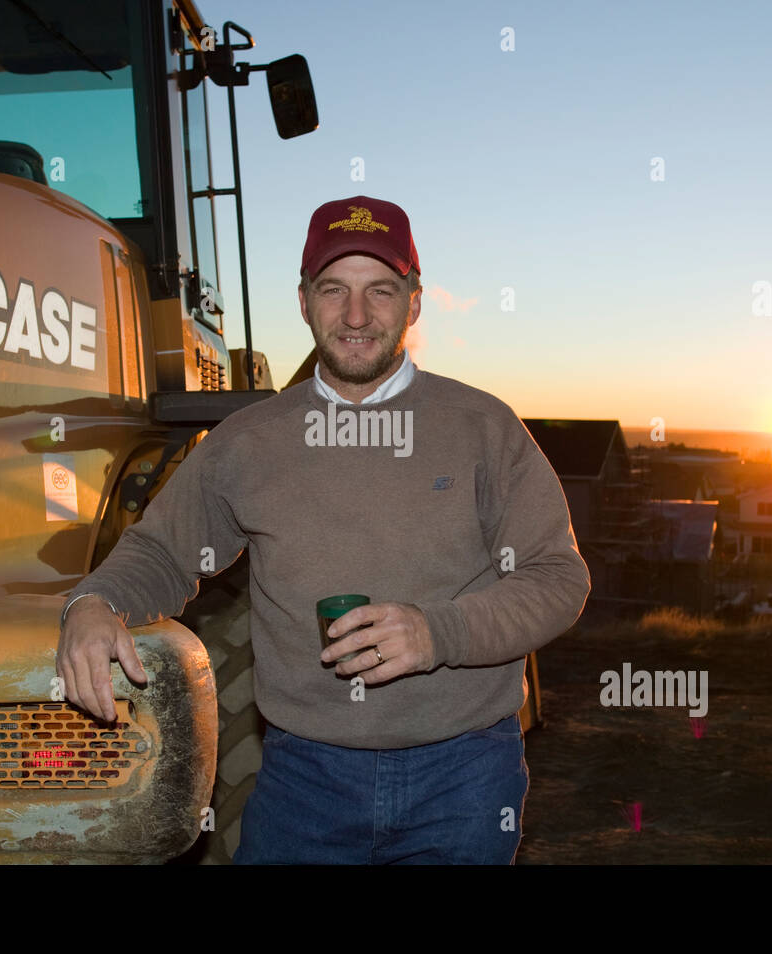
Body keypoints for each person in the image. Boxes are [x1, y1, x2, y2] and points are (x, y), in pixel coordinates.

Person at [57, 195, 591, 864]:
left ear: (415, 303)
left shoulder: (484, 429)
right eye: (334, 290)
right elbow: (161, 552)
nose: (357, 315)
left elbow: (557, 578)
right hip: (304, 780)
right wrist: (93, 605)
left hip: (464, 775)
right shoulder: (248, 442)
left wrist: (435, 633)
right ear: (305, 301)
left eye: (381, 290)